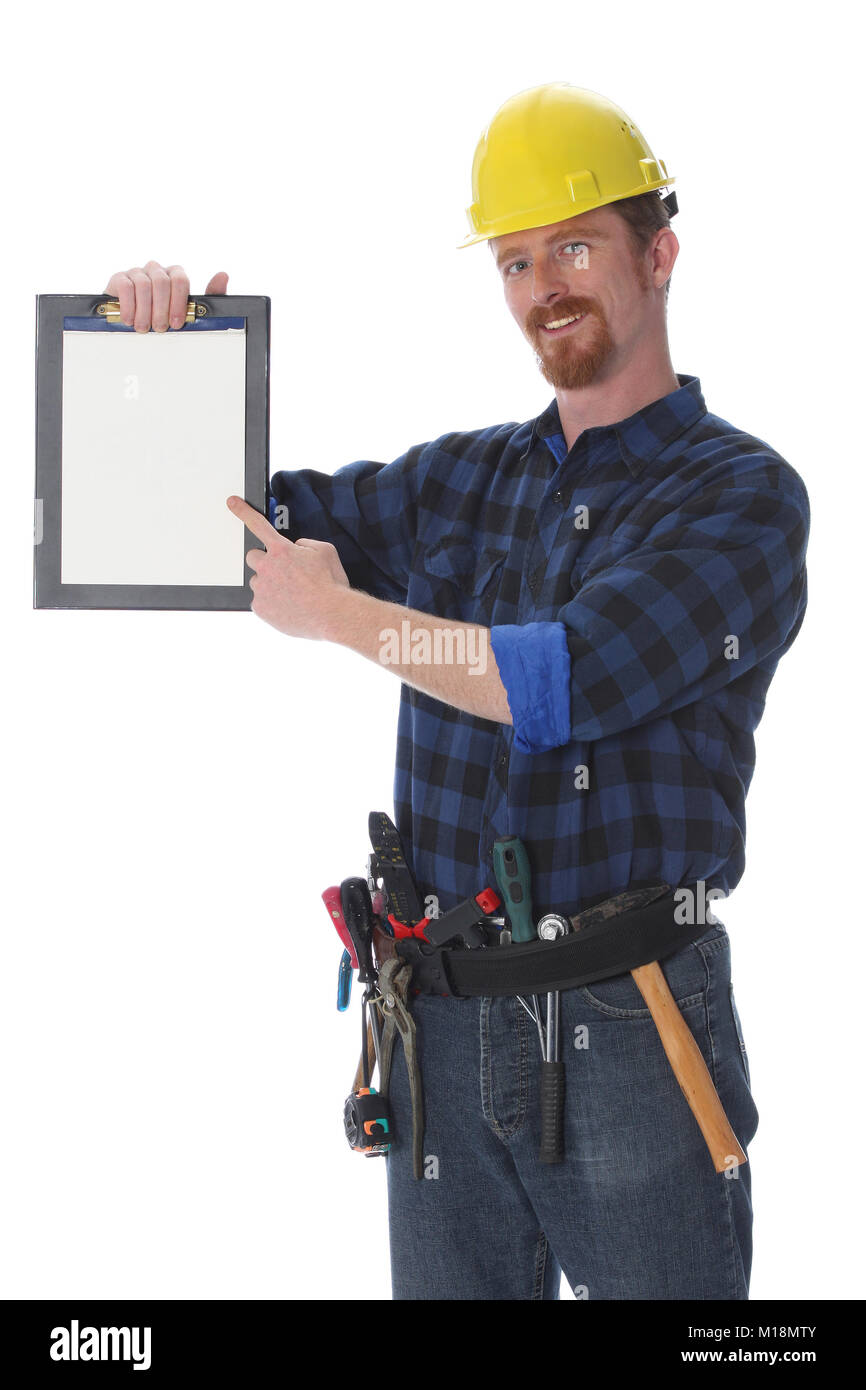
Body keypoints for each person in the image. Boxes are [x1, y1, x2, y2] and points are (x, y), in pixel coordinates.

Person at [103, 83, 809, 1300]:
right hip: (433, 1019)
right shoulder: (463, 481)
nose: (546, 285)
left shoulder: (738, 498)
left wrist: (348, 621)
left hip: (630, 1024)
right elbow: (216, 530)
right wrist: (155, 358)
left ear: (660, 252)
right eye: (516, 259)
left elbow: (560, 675)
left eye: (576, 244)